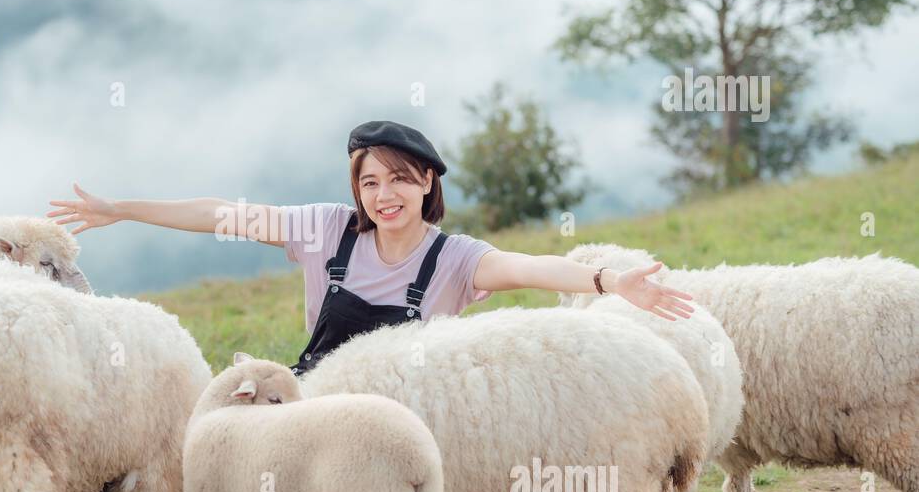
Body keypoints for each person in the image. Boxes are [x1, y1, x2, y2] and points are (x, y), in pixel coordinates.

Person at [47, 120, 693, 375]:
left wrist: (611, 281)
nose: (384, 195)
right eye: (369, 181)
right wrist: (122, 209)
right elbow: (223, 214)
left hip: (406, 409)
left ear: (427, 181)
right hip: (317, 391)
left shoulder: (456, 258)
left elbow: (532, 267)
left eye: (399, 180)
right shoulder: (327, 229)